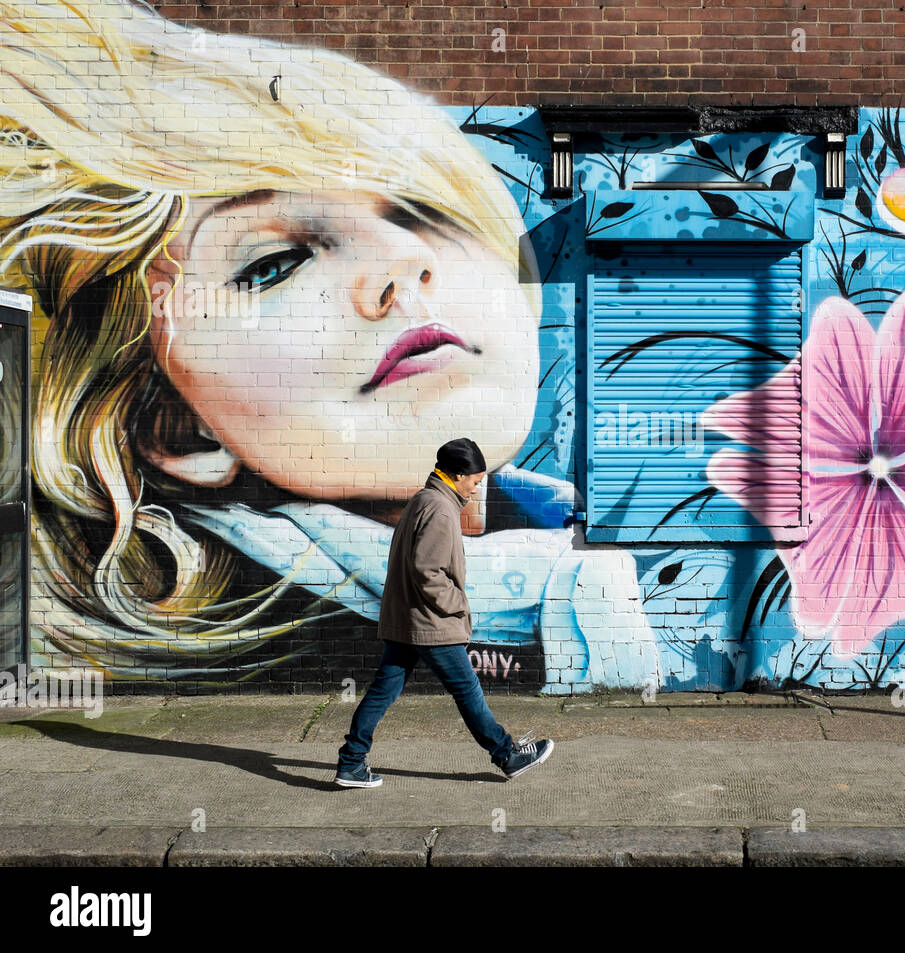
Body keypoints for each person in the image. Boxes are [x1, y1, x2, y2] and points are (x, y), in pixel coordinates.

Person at [0, 0, 661, 694]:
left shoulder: (572, 534)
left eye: (423, 211)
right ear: (179, 429)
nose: (403, 261)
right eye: (273, 264)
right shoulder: (238, 670)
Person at [335, 438, 554, 785]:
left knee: (383, 690)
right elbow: (427, 571)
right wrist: (458, 605)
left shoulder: (426, 499)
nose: (476, 488)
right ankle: (507, 755)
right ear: (458, 475)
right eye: (475, 481)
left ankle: (351, 762)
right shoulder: (439, 508)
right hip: (430, 622)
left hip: (408, 619)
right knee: (467, 691)